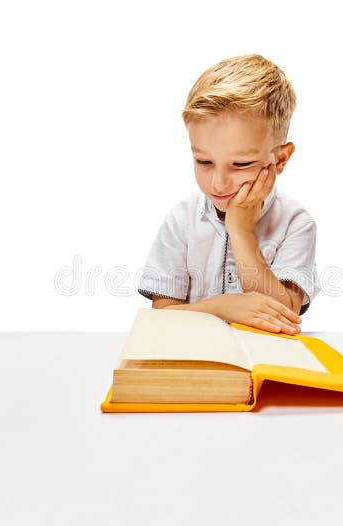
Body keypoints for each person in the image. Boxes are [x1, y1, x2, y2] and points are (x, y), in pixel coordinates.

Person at [136, 54, 320, 336]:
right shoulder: (182, 220)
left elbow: (283, 314)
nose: (218, 183)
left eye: (240, 164)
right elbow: (162, 317)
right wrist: (222, 307)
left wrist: (241, 230)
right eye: (204, 162)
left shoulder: (296, 223)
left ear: (280, 160)